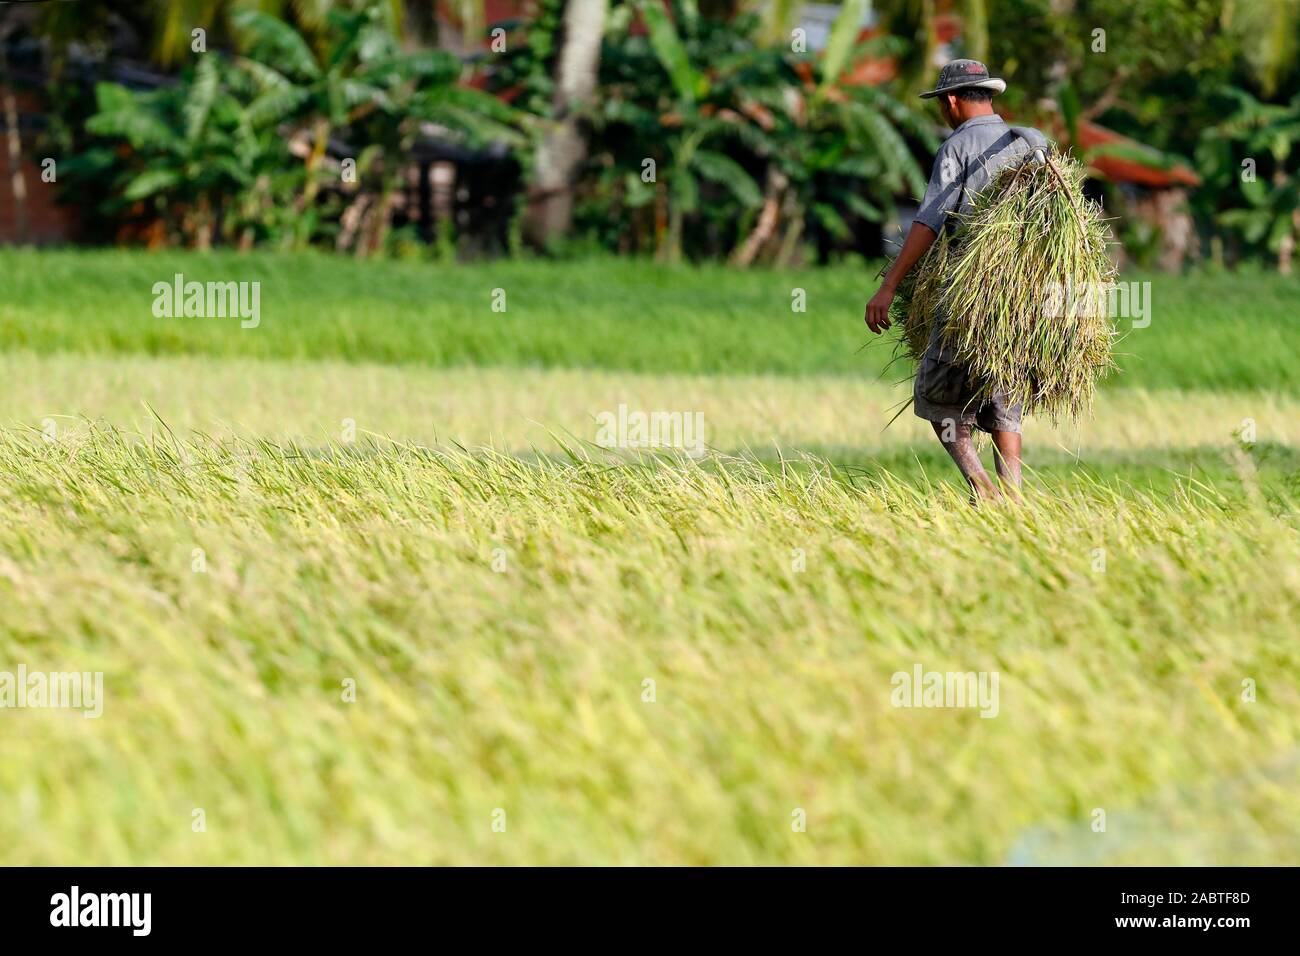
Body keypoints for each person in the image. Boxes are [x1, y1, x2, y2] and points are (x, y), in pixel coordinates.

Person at [864, 59, 1048, 501]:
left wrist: (889, 285)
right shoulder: (1030, 144)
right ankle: (1013, 493)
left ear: (950, 101)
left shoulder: (957, 147)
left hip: (971, 289)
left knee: (937, 395)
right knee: (1003, 389)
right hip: (1024, 292)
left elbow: (928, 222)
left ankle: (982, 488)